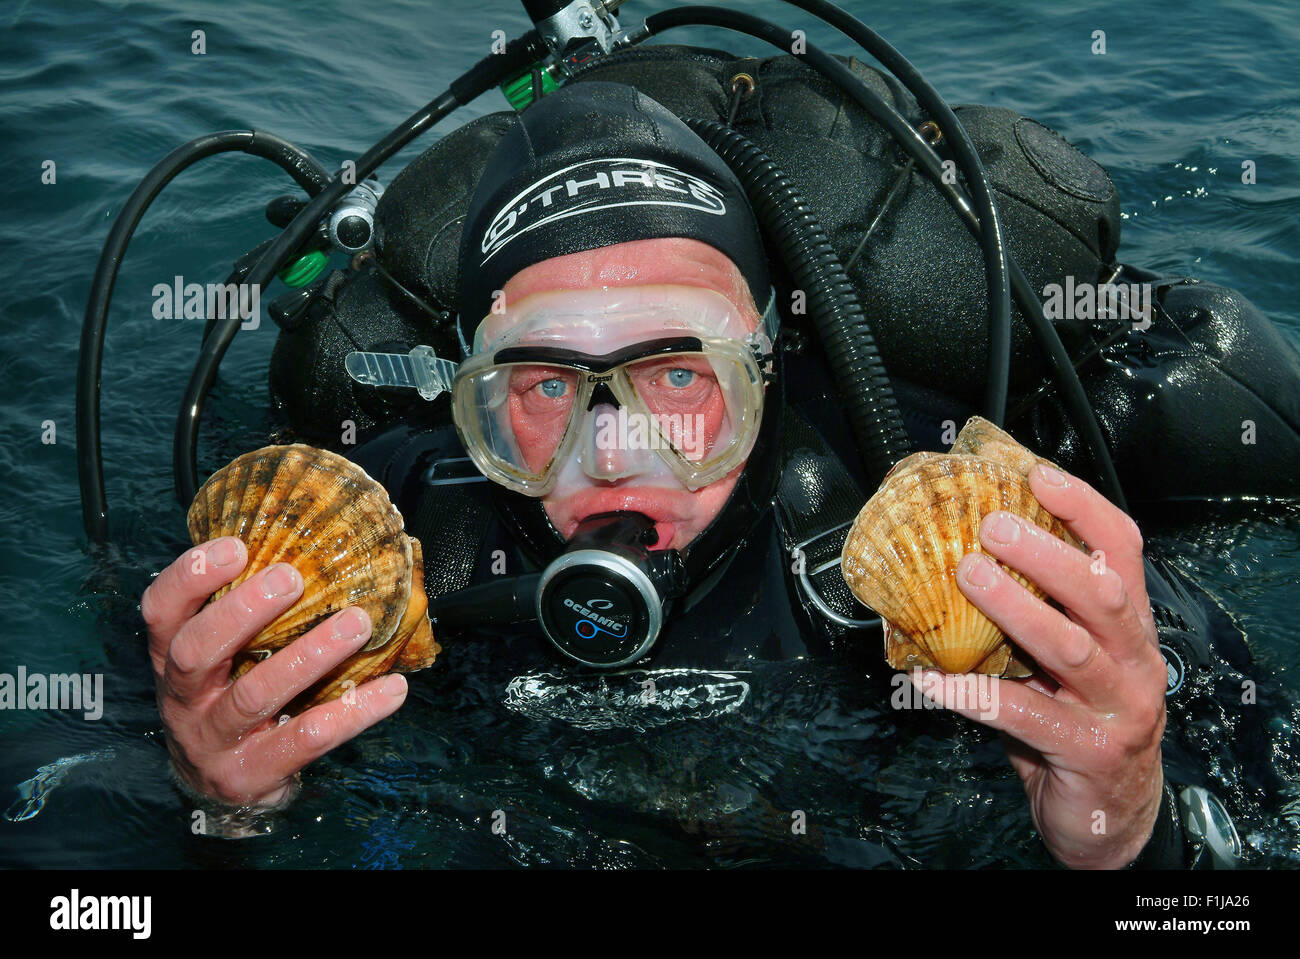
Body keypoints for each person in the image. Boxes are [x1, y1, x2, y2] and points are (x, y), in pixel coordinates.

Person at [143, 57, 1282, 867]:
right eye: (543, 385)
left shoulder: (964, 526)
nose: (615, 450)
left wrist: (1135, 837)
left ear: (767, 369)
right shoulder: (379, 543)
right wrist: (219, 809)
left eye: (679, 375)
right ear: (467, 399)